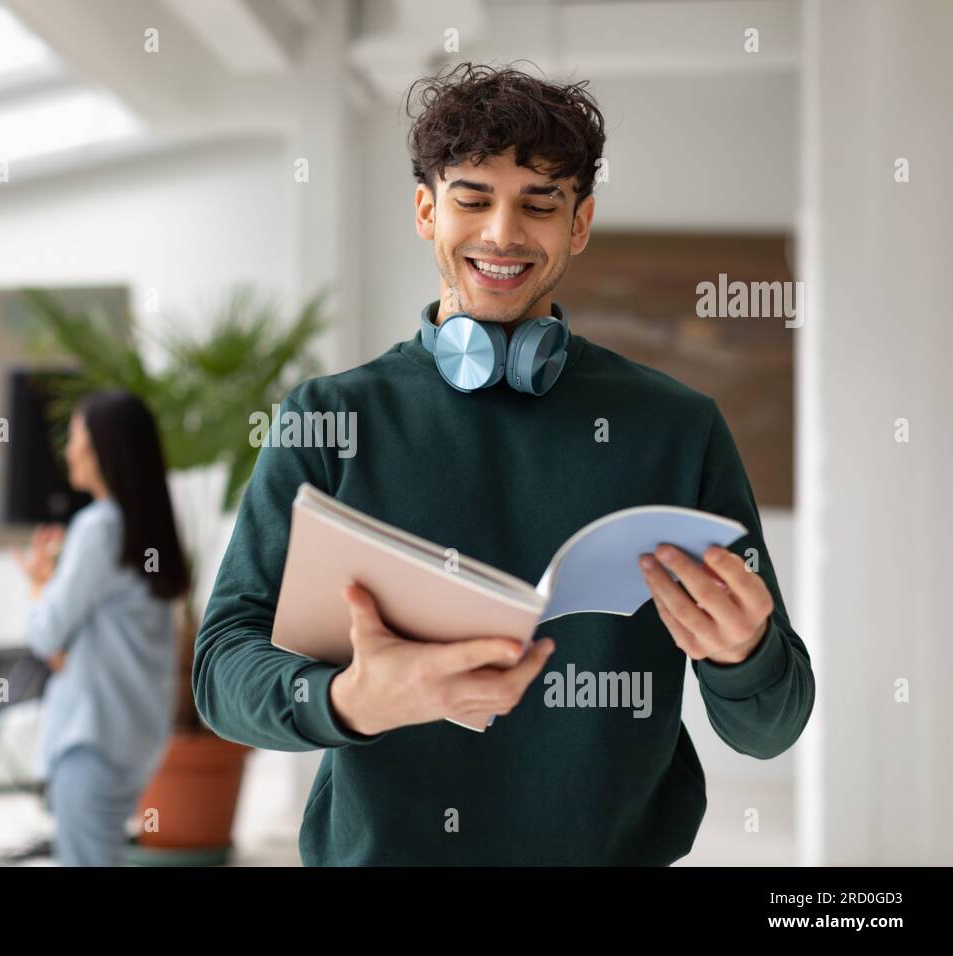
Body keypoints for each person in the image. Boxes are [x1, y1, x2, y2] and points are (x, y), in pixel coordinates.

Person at [194, 63, 815, 865]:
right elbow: (220, 674)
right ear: (427, 209)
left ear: (580, 223)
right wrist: (347, 698)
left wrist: (744, 654)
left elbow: (773, 726)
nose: (502, 234)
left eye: (539, 203)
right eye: (473, 198)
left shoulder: (678, 429)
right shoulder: (327, 419)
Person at [15, 389, 187, 866]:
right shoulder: (147, 529)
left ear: (103, 449)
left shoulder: (98, 529)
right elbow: (82, 646)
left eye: (75, 438)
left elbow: (46, 634)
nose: (68, 451)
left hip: (90, 741)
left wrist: (37, 586)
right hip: (131, 740)